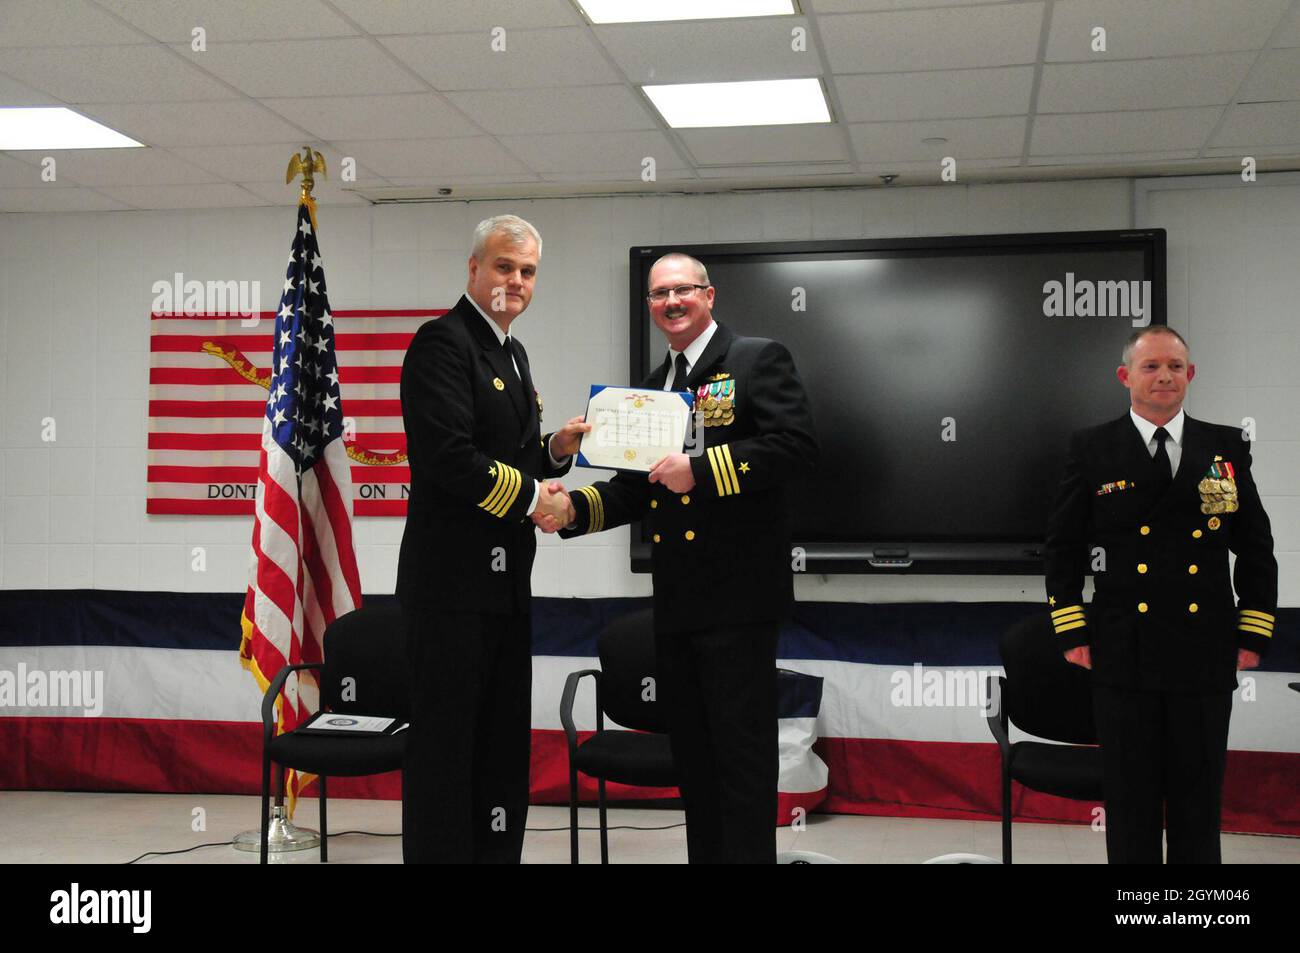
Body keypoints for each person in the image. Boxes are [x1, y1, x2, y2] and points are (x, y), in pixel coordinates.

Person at [544, 252, 818, 863]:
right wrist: (571, 511)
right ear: (650, 305)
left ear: (709, 295)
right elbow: (636, 487)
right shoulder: (650, 387)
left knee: (740, 763)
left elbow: (794, 448)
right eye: (659, 294)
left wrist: (701, 471)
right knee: (694, 761)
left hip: (739, 602)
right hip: (677, 601)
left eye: (683, 291)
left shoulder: (755, 358)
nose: (671, 303)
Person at [1044, 325, 1277, 863]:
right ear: (1127, 377)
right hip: (1124, 650)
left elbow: (1256, 548)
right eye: (1151, 366)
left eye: (1175, 366)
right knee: (1130, 802)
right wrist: (1071, 630)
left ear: (1190, 375)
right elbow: (1062, 548)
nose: (1165, 376)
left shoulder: (1225, 446)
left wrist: (1254, 630)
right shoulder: (1092, 447)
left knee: (1199, 801)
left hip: (1205, 649)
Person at [396, 214, 586, 863]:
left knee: (501, 746)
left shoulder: (511, 351)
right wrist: (537, 499)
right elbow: (451, 458)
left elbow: (507, 453)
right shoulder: (441, 345)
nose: (516, 280)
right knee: (447, 750)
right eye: (504, 266)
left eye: (527, 271)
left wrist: (554, 452)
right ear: (474, 268)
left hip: (505, 590)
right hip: (449, 590)